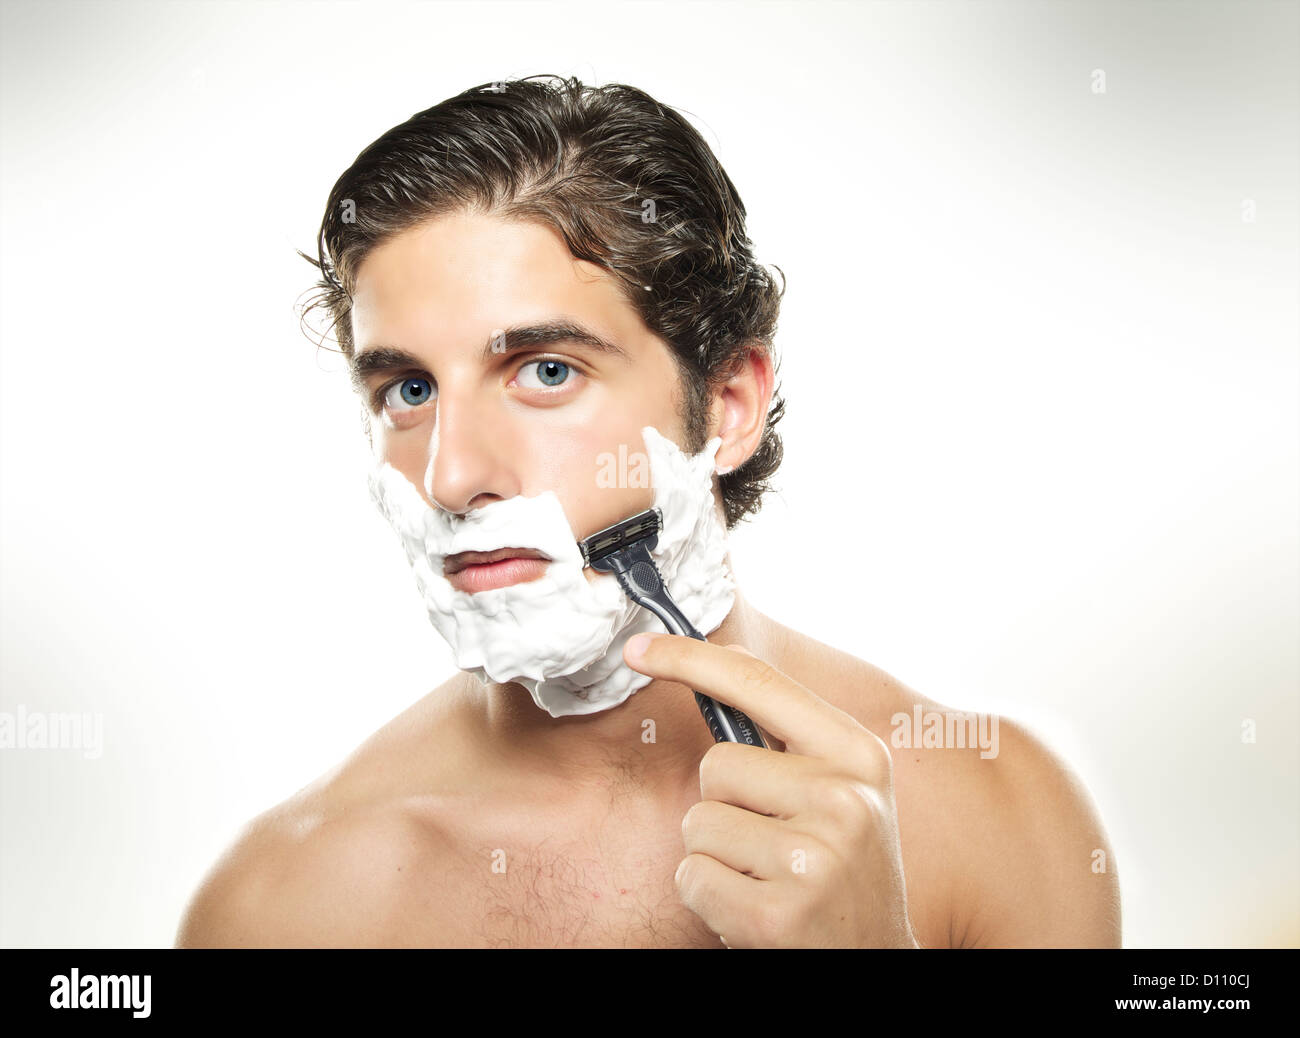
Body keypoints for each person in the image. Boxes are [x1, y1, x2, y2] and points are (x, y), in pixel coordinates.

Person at [176, 75, 1121, 948]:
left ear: (728, 406)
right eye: (408, 390)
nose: (454, 474)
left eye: (546, 371)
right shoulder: (285, 905)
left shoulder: (994, 813)